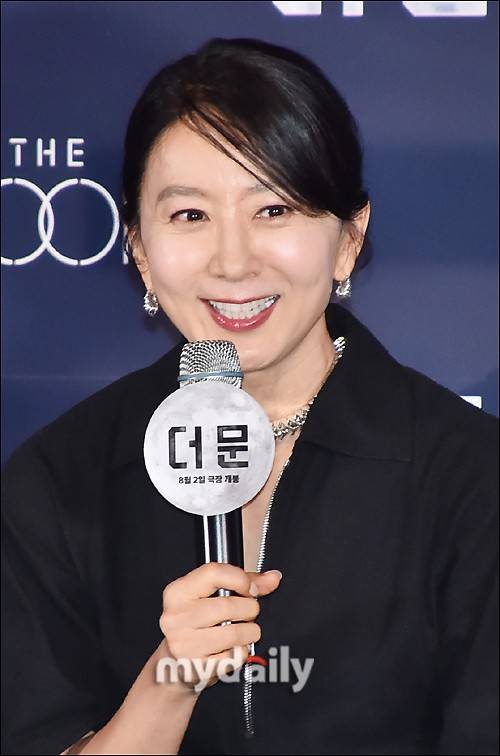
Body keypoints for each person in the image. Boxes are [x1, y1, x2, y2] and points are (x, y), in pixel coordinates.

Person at [1, 37, 498, 756]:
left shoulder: (472, 476)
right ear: (139, 248)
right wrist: (168, 684)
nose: (233, 262)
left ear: (349, 238)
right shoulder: (57, 480)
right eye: (190, 216)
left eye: (274, 210)